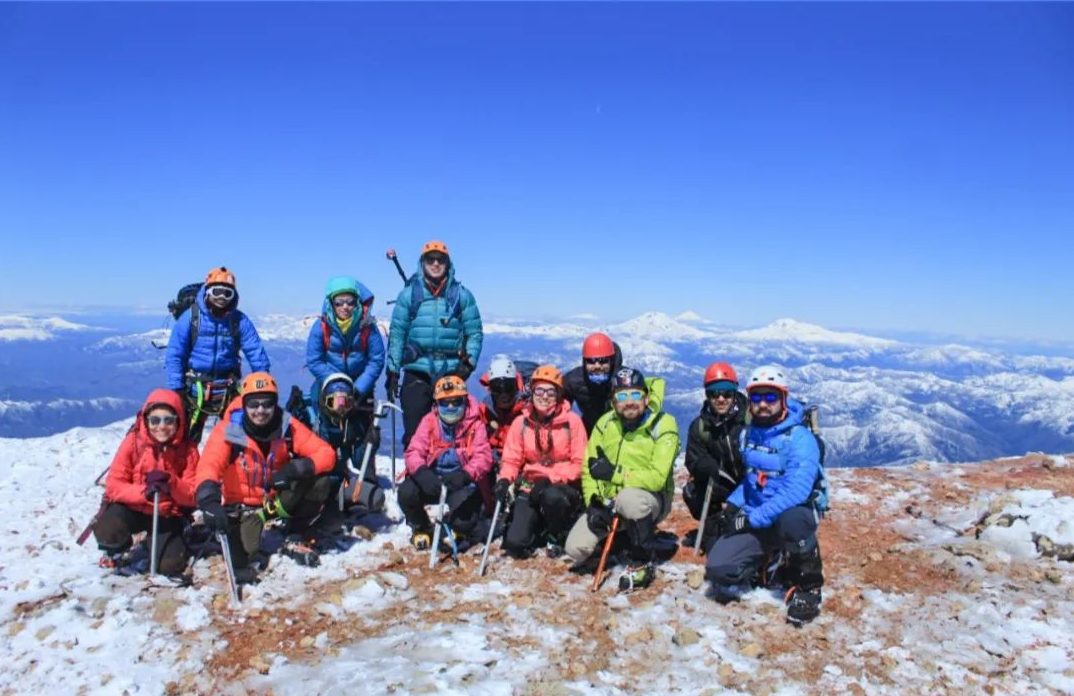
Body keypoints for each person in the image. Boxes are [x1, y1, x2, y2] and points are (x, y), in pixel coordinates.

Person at [705, 365, 825, 625]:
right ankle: (771, 559)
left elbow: (797, 491)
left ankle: (808, 585)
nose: (762, 404)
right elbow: (751, 480)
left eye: (770, 397)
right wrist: (733, 505)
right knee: (718, 569)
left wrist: (751, 519)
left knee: (793, 520)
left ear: (784, 398)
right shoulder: (750, 434)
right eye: (756, 397)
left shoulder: (800, 439)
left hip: (787, 515)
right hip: (759, 515)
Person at [195, 372, 336, 578]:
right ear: (244, 405)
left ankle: (296, 531)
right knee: (243, 556)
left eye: (267, 404)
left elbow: (326, 453)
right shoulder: (232, 429)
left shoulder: (286, 425)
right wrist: (208, 498)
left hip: (274, 501)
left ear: (275, 404)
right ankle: (248, 531)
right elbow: (210, 464)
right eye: (253, 404)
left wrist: (294, 469)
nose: (260, 410)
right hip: (243, 507)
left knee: (320, 481)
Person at [564, 368, 679, 590]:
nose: (629, 402)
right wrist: (594, 503)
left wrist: (616, 473)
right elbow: (591, 468)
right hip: (610, 500)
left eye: (635, 395)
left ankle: (642, 560)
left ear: (646, 398)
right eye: (622, 396)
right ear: (613, 400)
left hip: (651, 499)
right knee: (575, 549)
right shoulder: (606, 423)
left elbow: (657, 478)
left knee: (629, 500)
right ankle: (622, 537)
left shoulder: (663, 424)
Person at [384, 241, 483, 446]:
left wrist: (469, 363)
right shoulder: (409, 295)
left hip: (452, 370)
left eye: (441, 260)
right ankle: (416, 474)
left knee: (453, 433)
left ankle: (448, 473)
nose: (436, 264)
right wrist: (393, 370)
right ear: (423, 263)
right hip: (416, 370)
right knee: (414, 434)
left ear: (448, 263)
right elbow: (397, 334)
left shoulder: (461, 296)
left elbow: (475, 333)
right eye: (431, 259)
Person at [95, 389, 199, 576]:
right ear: (146, 420)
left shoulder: (188, 449)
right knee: (107, 530)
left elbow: (192, 494)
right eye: (155, 420)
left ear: (179, 421)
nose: (161, 426)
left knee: (169, 566)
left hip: (166, 513)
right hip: (132, 508)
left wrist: (172, 483)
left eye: (169, 420)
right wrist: (144, 492)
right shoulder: (133, 442)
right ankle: (116, 549)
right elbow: (114, 485)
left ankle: (173, 538)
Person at [164, 266, 271, 442]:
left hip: (227, 386)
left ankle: (234, 466)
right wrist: (177, 389)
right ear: (207, 292)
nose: (222, 298)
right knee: (186, 439)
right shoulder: (191, 318)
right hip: (194, 389)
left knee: (238, 438)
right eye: (217, 292)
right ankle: (189, 468)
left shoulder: (239, 320)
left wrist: (262, 384)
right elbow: (175, 354)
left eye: (227, 293)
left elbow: (255, 352)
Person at [494, 365, 585, 558]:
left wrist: (551, 478)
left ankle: (558, 533)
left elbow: (579, 464)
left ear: (559, 395)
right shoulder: (521, 423)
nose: (544, 396)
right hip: (530, 486)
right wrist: (504, 480)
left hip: (562, 488)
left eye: (551, 392)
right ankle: (540, 527)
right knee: (515, 543)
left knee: (552, 497)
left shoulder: (572, 422)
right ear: (532, 392)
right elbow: (511, 459)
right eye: (539, 391)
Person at [399, 375, 493, 550]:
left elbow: (484, 456)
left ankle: (455, 530)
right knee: (407, 493)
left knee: (464, 519)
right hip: (433, 480)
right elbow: (414, 451)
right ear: (436, 404)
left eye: (456, 402)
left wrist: (466, 475)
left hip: (460, 483)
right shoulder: (429, 422)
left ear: (464, 401)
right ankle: (421, 526)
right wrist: (422, 473)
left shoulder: (475, 424)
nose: (450, 407)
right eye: (445, 402)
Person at [683, 362, 747, 554]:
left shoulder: (749, 420)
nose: (721, 399)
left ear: (735, 393)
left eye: (727, 393)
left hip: (749, 483)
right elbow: (692, 458)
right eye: (714, 394)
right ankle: (713, 526)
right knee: (693, 491)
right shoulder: (700, 426)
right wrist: (701, 465)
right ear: (707, 395)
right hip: (720, 481)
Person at [305, 275, 385, 404]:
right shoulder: (321, 327)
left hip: (360, 389)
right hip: (329, 385)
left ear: (357, 302)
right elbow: (314, 361)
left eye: (350, 302)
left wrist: (359, 388)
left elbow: (376, 361)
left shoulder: (368, 327)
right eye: (339, 302)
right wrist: (335, 384)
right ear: (331, 303)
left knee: (361, 423)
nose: (345, 306)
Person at [563, 332, 623, 434]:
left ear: (611, 361)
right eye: (591, 361)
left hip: (619, 431)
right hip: (588, 430)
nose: (597, 366)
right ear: (584, 362)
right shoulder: (573, 381)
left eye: (603, 361)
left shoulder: (623, 379)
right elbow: (561, 409)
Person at [477, 355, 528, 466]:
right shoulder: (484, 411)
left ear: (516, 387)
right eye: (497, 389)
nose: (504, 395)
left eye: (508, 388)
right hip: (493, 462)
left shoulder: (529, 411)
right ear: (490, 390)